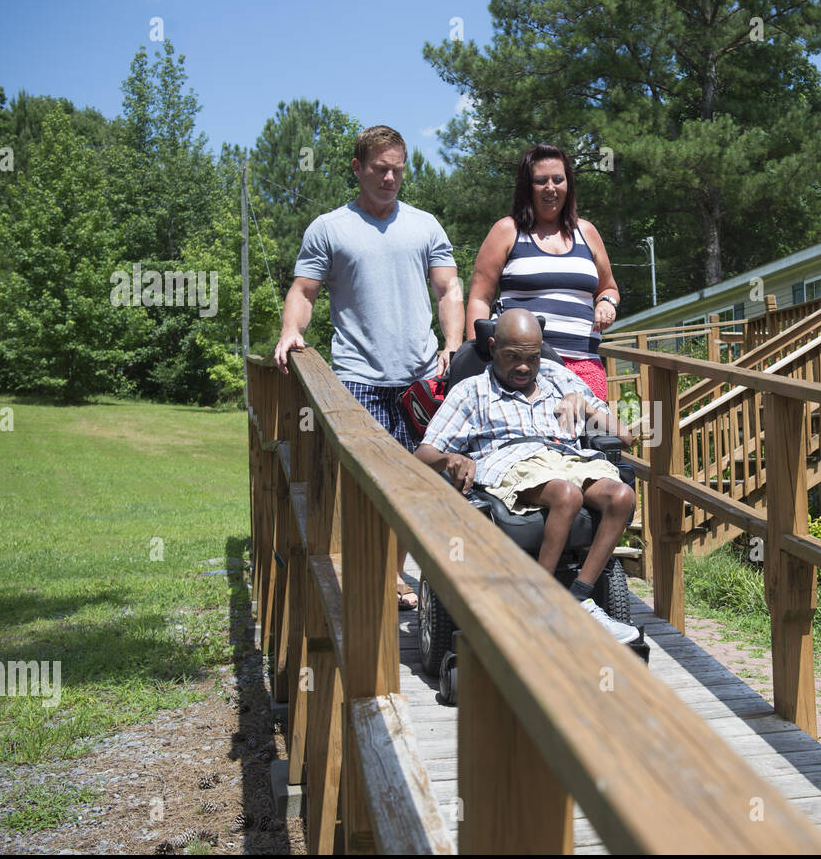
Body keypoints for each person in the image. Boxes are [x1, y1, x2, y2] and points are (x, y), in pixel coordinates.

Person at [273, 125, 464, 610]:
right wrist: (290, 332)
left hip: (422, 378)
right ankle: (371, 578)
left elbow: (448, 290)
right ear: (358, 169)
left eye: (398, 169)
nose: (390, 177)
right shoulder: (330, 228)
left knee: (416, 482)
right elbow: (303, 291)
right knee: (370, 487)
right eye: (380, 169)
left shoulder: (424, 225)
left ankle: (394, 574)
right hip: (358, 379)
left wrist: (454, 345)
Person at [414, 309, 639, 643]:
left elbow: (625, 437)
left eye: (532, 358)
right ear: (492, 347)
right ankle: (539, 604)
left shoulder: (557, 376)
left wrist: (585, 404)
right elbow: (422, 454)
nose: (524, 367)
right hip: (510, 460)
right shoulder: (471, 391)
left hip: (567, 457)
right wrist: (450, 459)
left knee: (622, 496)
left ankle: (579, 598)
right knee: (566, 495)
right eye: (512, 357)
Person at [464, 144, 619, 402]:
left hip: (584, 367)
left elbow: (609, 287)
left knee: (592, 440)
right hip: (522, 371)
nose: (550, 187)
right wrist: (476, 356)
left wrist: (607, 302)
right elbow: (480, 299)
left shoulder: (587, 232)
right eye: (540, 181)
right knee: (527, 441)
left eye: (558, 179)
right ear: (528, 187)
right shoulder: (507, 230)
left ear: (568, 184)